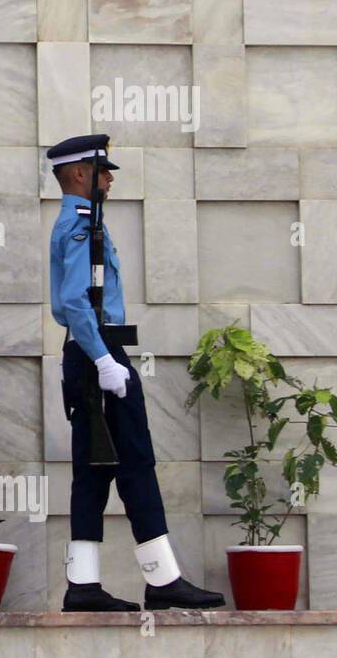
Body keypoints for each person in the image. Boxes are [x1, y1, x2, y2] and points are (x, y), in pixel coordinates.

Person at [47, 134, 224, 611]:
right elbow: (74, 301)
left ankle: (83, 584)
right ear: (79, 174)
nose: (109, 178)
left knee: (93, 471)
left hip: (89, 355)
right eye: (102, 170)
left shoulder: (81, 223)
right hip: (97, 353)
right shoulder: (82, 226)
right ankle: (161, 578)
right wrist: (105, 359)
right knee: (136, 463)